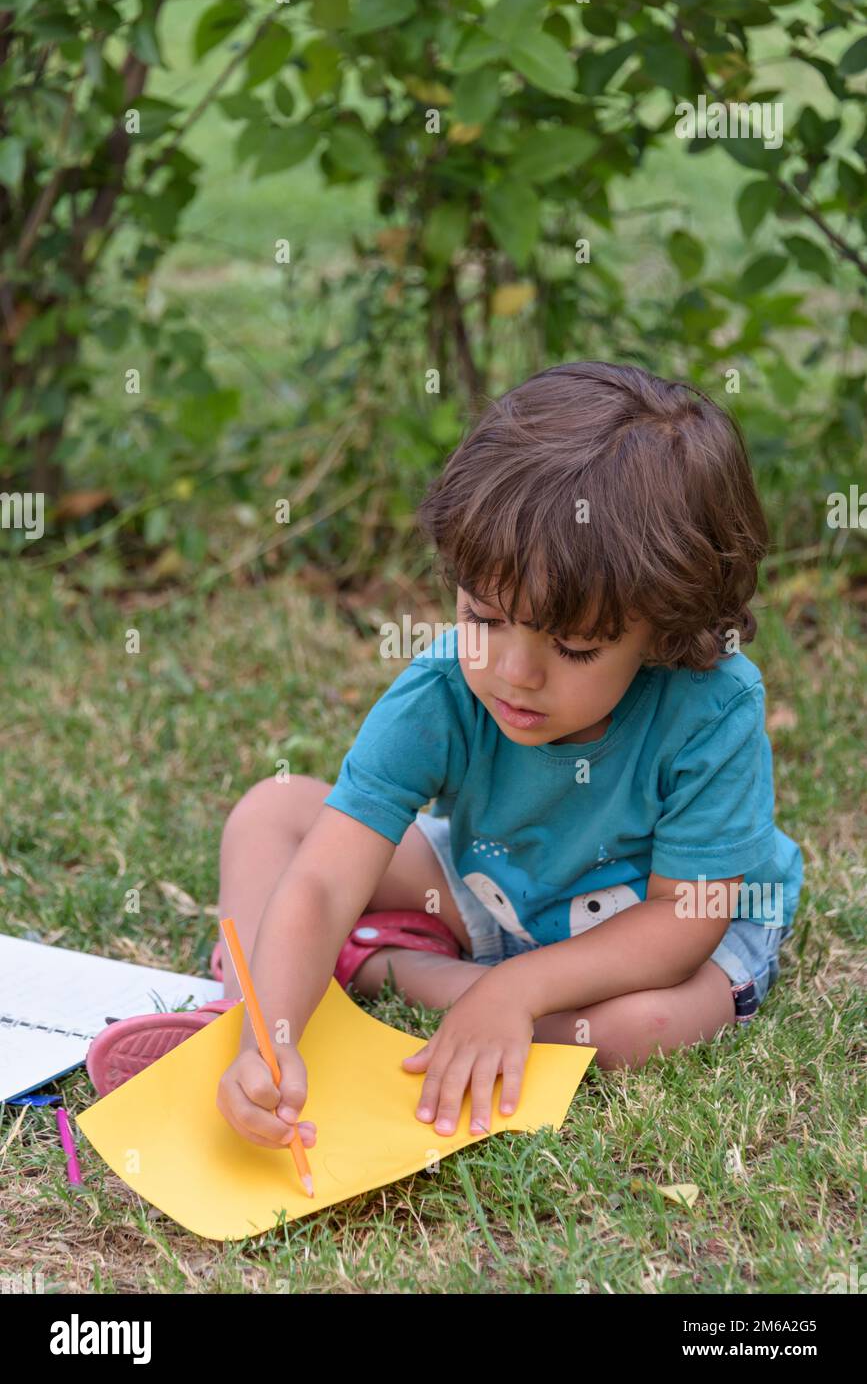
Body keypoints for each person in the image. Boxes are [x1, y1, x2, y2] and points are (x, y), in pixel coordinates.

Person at [86, 361, 803, 1155]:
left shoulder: (712, 703)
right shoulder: (439, 689)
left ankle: (382, 971)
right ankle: (246, 1016)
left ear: (665, 631)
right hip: (490, 887)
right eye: (482, 617)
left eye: (571, 647)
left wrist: (517, 987)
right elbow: (325, 876)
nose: (513, 672)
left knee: (645, 1027)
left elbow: (683, 918)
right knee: (273, 811)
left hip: (656, 928)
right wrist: (269, 1041)